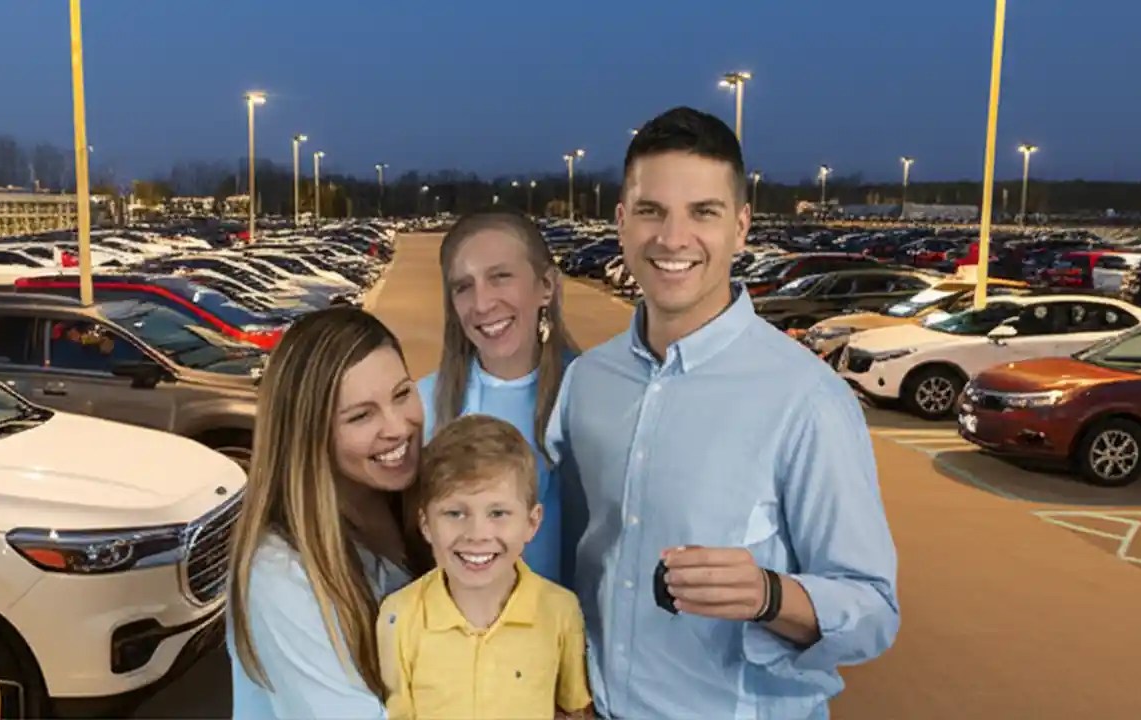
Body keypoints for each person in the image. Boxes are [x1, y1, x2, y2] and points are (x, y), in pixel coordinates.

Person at [547, 107, 900, 719]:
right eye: (652, 211)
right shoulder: (589, 380)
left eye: (703, 212)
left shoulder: (807, 399)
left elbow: (873, 613)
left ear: (740, 228)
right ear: (622, 223)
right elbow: (573, 558)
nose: (673, 238)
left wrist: (769, 595)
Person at [226, 306, 430, 719]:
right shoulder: (279, 573)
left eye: (402, 393)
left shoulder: (422, 501)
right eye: (362, 415)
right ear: (310, 434)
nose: (398, 427)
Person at [376, 414, 593, 720]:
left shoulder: (561, 611)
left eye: (498, 513)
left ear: (532, 522)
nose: (477, 535)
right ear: (426, 524)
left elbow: (575, 710)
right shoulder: (398, 617)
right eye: (454, 513)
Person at [417, 207, 579, 584]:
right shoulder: (425, 406)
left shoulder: (593, 392)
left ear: (546, 286)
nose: (482, 303)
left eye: (500, 277)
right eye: (463, 287)